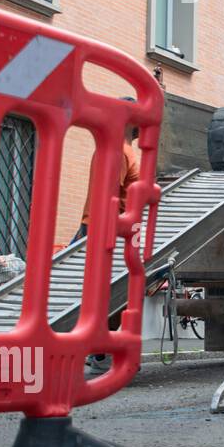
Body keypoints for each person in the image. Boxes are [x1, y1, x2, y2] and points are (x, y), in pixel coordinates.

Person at [75, 105, 142, 376]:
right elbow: (110, 195)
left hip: (97, 226)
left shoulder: (115, 148)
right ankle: (101, 352)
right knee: (112, 294)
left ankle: (98, 350)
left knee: (103, 293)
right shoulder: (119, 151)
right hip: (108, 229)